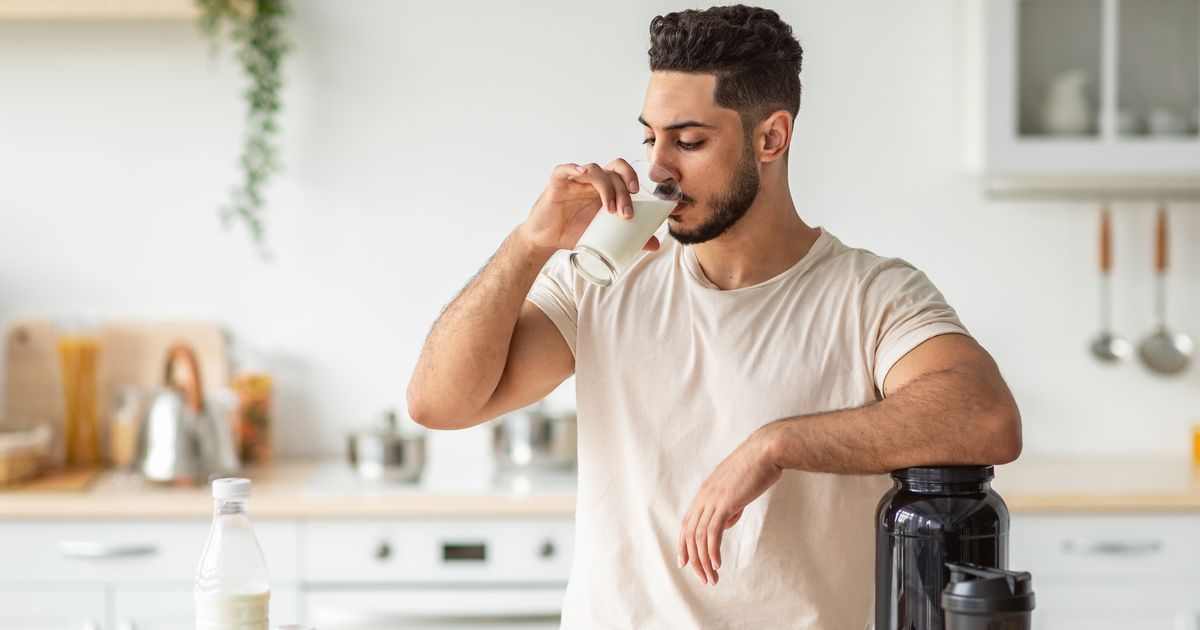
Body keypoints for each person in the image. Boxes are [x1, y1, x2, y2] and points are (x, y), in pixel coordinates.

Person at [407, 5, 1021, 627]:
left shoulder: (871, 294)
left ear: (771, 138)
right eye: (651, 137)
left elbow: (987, 417)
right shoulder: (606, 275)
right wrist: (529, 243)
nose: (657, 168)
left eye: (689, 141)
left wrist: (775, 445)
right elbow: (440, 404)